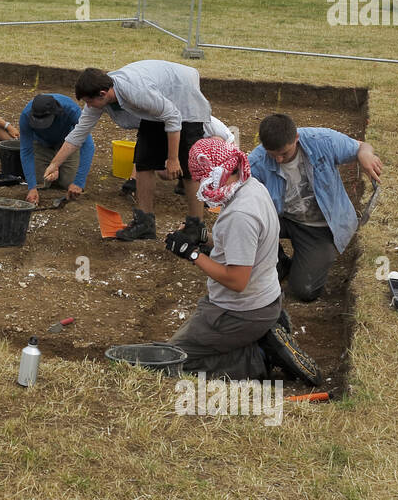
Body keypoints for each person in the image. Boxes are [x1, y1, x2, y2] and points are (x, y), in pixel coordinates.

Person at [163, 138, 321, 385]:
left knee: (172, 361)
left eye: (201, 177)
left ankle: (257, 356)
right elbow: (243, 246)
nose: (200, 184)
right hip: (264, 300)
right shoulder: (251, 186)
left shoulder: (240, 215)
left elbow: (237, 280)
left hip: (241, 312)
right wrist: (203, 239)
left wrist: (191, 253)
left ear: (215, 173)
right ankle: (261, 335)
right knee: (180, 353)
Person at [45, 61, 211, 243]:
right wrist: (54, 164)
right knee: (143, 161)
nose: (88, 106)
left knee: (189, 167)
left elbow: (172, 116)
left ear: (102, 94)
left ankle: (196, 226)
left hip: (182, 94)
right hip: (156, 103)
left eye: (89, 101)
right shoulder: (101, 98)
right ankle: (145, 222)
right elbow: (79, 133)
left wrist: (172, 159)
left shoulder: (136, 92)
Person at [247, 114, 383, 303]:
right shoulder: (257, 161)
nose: (278, 159)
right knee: (249, 222)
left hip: (317, 227)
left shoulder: (321, 141)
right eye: (272, 154)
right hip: (282, 219)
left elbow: (361, 146)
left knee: (304, 291)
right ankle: (278, 262)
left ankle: (301, 261)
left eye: (284, 153)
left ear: (296, 139)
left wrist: (365, 154)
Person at [19, 93, 93, 205]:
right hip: (41, 144)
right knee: (40, 182)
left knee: (68, 183)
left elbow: (88, 145)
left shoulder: (71, 109)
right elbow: (26, 150)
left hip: (68, 144)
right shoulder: (26, 115)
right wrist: (32, 188)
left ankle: (59, 167)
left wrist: (79, 182)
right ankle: (53, 167)